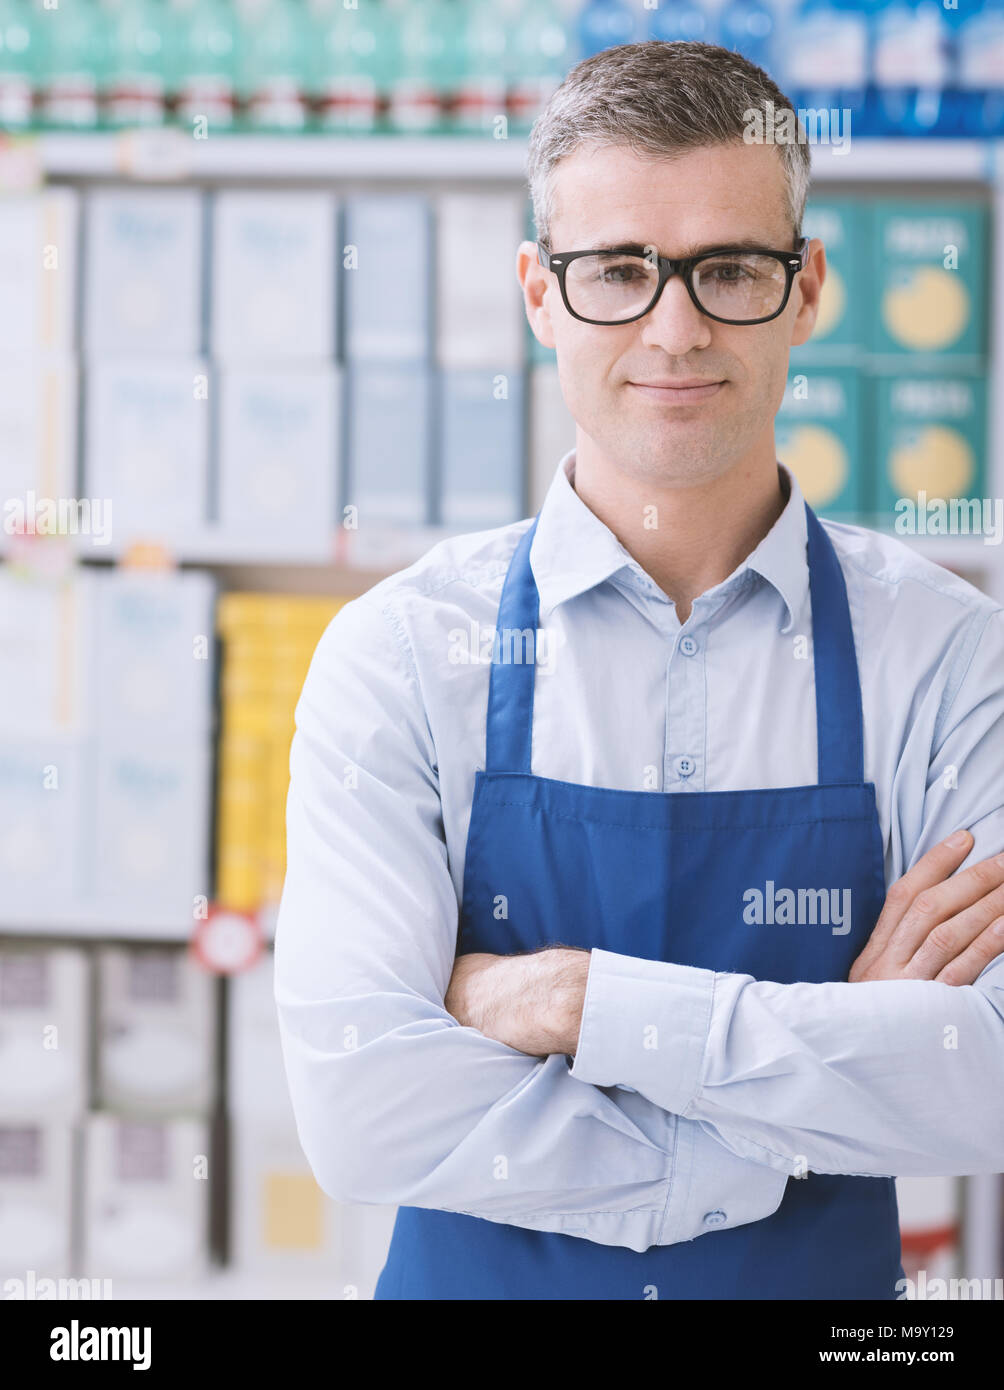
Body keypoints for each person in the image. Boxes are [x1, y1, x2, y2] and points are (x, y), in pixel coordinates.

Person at [274, 41, 1004, 1300]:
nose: (674, 329)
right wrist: (809, 1089)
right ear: (538, 294)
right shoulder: (399, 655)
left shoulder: (942, 654)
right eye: (617, 270)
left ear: (806, 287)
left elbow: (983, 1083)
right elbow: (362, 1108)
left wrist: (574, 1001)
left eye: (728, 268)